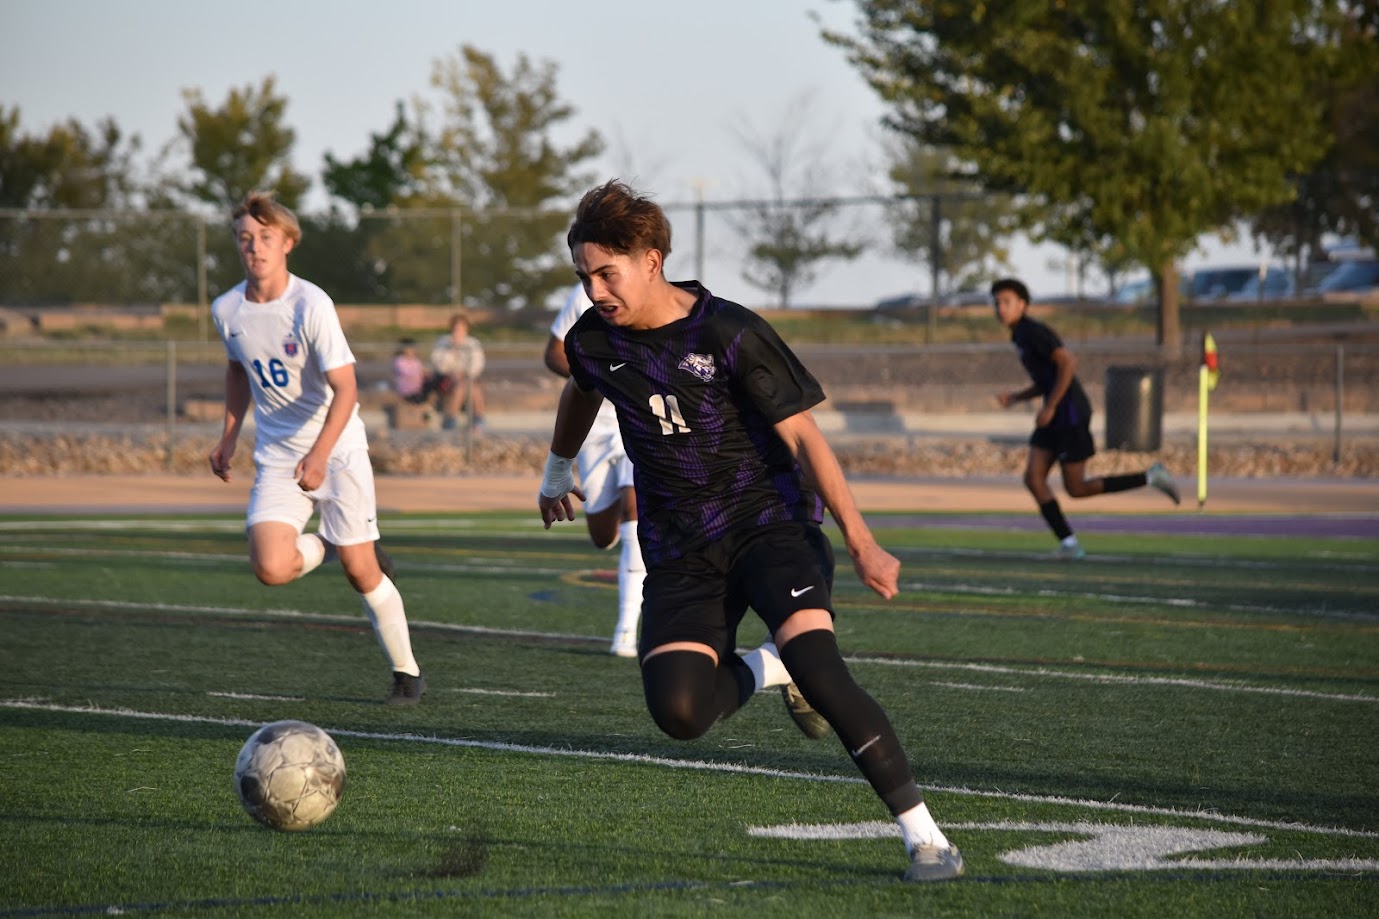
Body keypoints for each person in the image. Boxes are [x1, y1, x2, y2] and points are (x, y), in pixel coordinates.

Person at [537, 179, 963, 883]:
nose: (594, 289)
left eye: (605, 273)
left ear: (651, 259)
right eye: (583, 276)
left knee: (823, 668)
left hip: (768, 523)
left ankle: (925, 836)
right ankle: (770, 666)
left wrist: (860, 540)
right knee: (679, 710)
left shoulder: (727, 330)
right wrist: (556, 471)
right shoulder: (591, 339)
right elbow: (580, 387)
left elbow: (804, 436)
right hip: (679, 546)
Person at [208, 191, 425, 705]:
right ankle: (330, 546)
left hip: (339, 448)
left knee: (362, 571)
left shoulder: (311, 304)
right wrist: (228, 436)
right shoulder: (227, 309)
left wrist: (322, 455)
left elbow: (348, 388)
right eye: (245, 238)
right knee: (271, 568)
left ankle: (406, 673)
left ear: (287, 242)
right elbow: (238, 369)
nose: (254, 247)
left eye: (265, 237)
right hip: (280, 456)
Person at [991, 277, 1180, 559]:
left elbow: (1068, 363)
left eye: (1006, 302)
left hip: (1070, 414)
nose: (1000, 308)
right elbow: (1048, 377)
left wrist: (1051, 406)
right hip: (1055, 414)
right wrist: (1019, 397)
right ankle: (1069, 544)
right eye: (996, 303)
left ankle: (1151, 476)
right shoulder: (1019, 334)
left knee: (1077, 488)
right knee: (1033, 477)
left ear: (1023, 304)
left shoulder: (1033, 331)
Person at [544, 282, 643, 658]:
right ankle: (629, 520)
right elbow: (554, 353)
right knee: (603, 536)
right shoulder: (582, 296)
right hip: (596, 428)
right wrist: (596, 374)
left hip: (637, 417)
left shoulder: (654, 297)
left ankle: (625, 632)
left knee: (636, 509)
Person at [431, 312, 487, 430]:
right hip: (446, 378)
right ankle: (454, 419)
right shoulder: (443, 342)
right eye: (456, 327)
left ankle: (476, 419)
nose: (458, 330)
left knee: (471, 388)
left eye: (461, 327)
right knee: (462, 387)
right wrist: (453, 349)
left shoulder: (473, 343)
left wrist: (465, 373)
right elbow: (439, 364)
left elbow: (477, 364)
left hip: (467, 377)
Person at [392, 338, 432, 404]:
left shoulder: (416, 361)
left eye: (413, 348)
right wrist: (421, 371)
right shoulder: (399, 361)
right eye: (410, 348)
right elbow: (407, 373)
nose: (412, 350)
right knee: (419, 399)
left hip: (418, 389)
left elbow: (422, 372)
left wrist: (426, 373)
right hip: (406, 391)